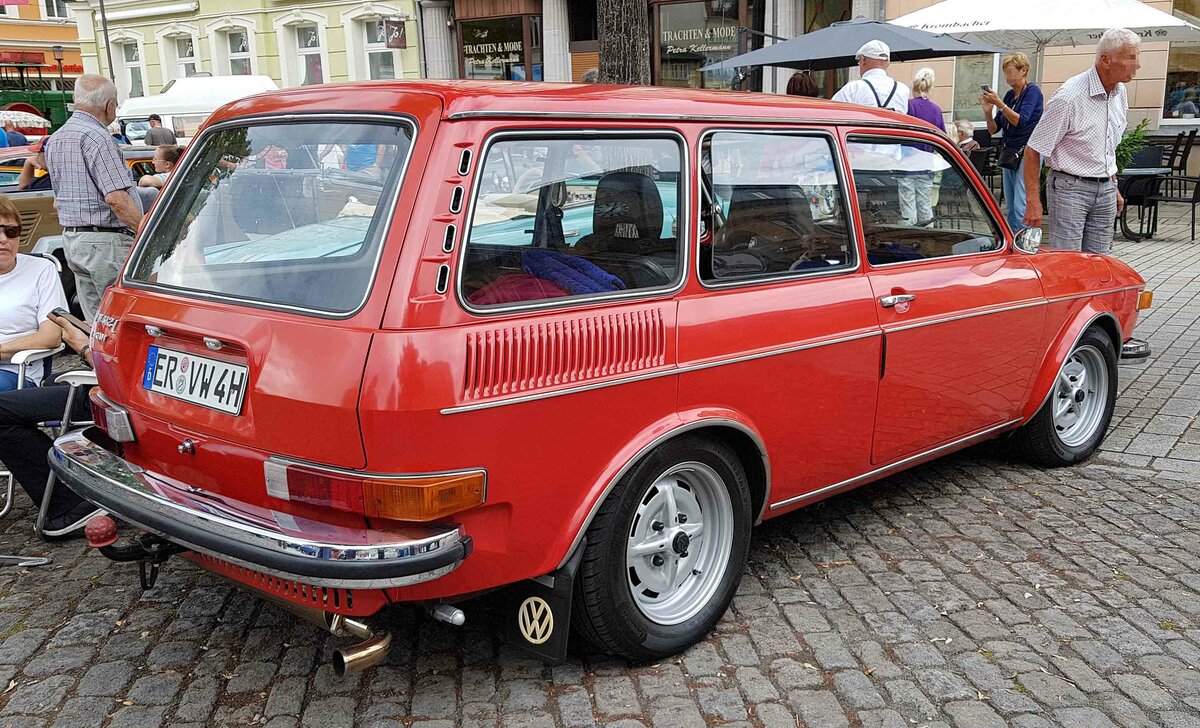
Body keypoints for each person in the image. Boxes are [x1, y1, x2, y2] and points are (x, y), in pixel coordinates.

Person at [1024, 28, 1141, 253]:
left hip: (1105, 187)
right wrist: (1033, 202)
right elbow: (1033, 149)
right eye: (1131, 58)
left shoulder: (1120, 94)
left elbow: (1106, 145)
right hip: (1070, 188)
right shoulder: (1069, 97)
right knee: (1069, 263)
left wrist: (1112, 185)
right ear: (1106, 60)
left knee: (1100, 263)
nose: (1138, 65)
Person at [43, 74, 144, 321]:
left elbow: (58, 196)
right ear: (109, 106)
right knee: (122, 317)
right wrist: (145, 231)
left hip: (73, 239)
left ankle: (96, 360)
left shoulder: (56, 138)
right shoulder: (97, 137)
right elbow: (116, 199)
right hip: (105, 242)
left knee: (95, 321)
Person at [0, 310, 101, 537]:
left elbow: (118, 367)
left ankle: (70, 503)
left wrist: (84, 347)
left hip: (110, 392)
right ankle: (85, 480)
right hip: (116, 388)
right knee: (51, 381)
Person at [0, 195, 67, 392]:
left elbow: (52, 336)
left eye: (11, 231)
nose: (4, 240)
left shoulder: (41, 270)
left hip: (17, 371)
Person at [982, 52, 1043, 232]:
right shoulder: (1010, 95)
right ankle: (1015, 239)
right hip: (1010, 153)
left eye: (1010, 71)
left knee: (1020, 204)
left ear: (1023, 70)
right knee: (1010, 204)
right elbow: (994, 129)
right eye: (1005, 72)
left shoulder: (1032, 92)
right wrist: (988, 111)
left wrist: (999, 104)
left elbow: (1020, 120)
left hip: (1027, 153)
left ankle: (1024, 242)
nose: (1007, 76)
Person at [898, 67, 944, 226]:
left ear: (913, 87)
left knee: (907, 205)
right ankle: (928, 236)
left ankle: (909, 236)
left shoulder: (907, 106)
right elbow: (941, 138)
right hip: (926, 164)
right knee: (925, 204)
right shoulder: (936, 110)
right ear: (931, 88)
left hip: (907, 163)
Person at [832, 40, 910, 115]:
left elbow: (833, 112)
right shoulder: (903, 89)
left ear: (863, 60)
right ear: (887, 62)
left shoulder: (853, 88)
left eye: (858, 61)